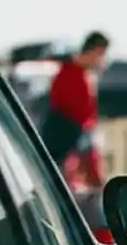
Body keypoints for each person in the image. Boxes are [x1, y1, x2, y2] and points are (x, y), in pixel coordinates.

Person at [43, 31, 110, 188]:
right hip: (66, 150)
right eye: (102, 55)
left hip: (76, 154)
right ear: (96, 51)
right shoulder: (68, 75)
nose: (102, 61)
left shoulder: (84, 76)